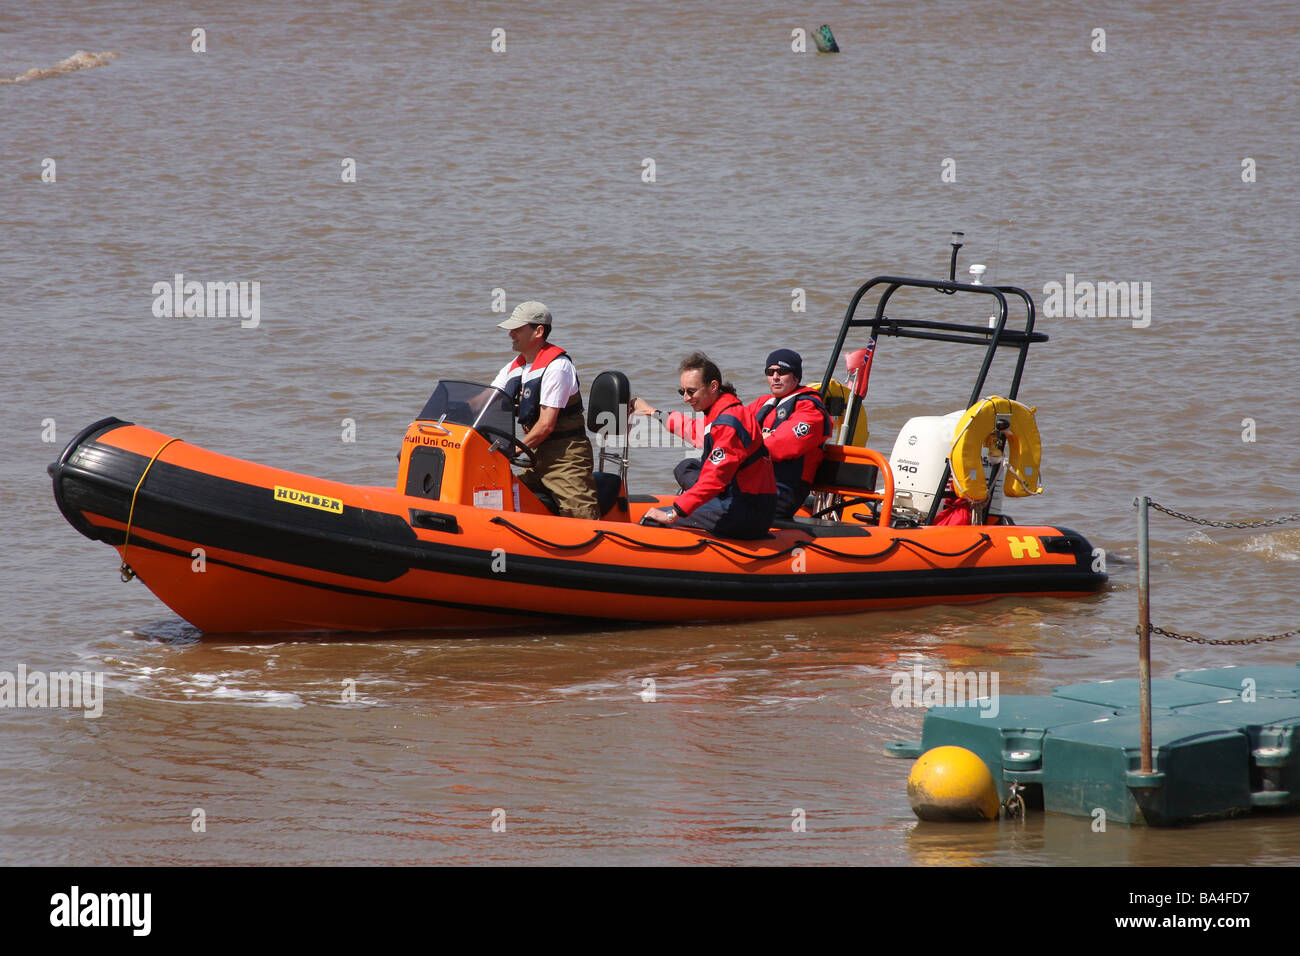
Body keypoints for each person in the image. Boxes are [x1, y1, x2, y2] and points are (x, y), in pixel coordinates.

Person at [630, 352, 776, 538]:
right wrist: (651, 411)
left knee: (651, 520)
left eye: (691, 391)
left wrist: (674, 512)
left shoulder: (728, 422)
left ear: (713, 386)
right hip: (744, 500)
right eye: (681, 391)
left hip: (746, 511)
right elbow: (691, 429)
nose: (685, 398)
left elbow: (715, 478)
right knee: (686, 467)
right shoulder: (721, 411)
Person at [490, 301, 600, 519]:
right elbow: (485, 402)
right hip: (534, 456)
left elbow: (546, 425)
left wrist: (510, 451)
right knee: (505, 495)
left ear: (538, 331)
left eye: (517, 329)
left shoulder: (557, 367)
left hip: (565, 458)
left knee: (581, 516)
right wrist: (443, 418)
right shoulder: (516, 366)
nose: (511, 334)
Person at [749, 349, 832, 519]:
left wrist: (749, 439)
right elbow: (729, 431)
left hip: (784, 489)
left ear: (796, 377)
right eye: (770, 372)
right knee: (689, 468)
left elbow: (779, 445)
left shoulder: (811, 410)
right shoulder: (762, 404)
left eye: (783, 372)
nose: (775, 377)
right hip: (754, 482)